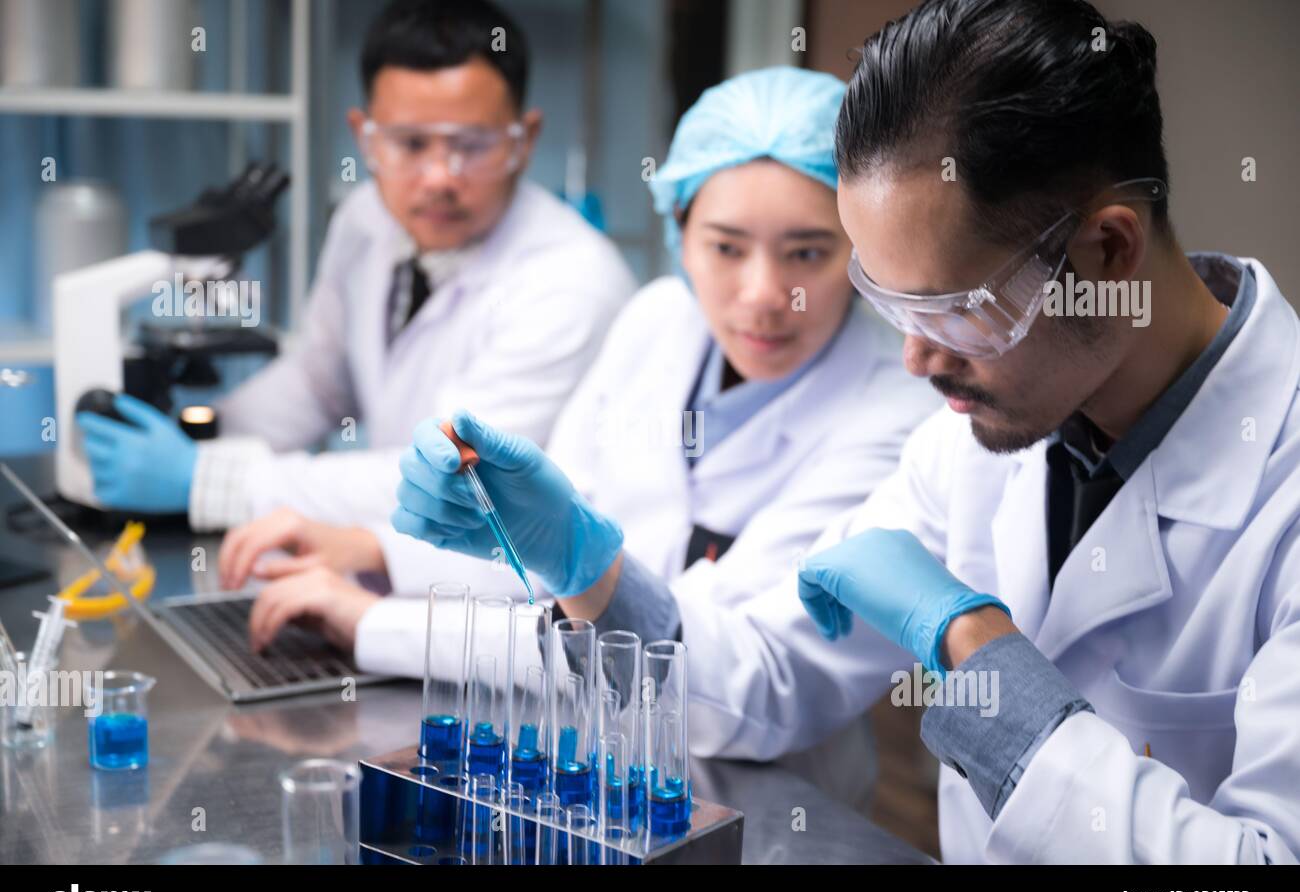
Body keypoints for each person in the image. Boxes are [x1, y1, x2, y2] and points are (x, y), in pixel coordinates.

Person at [391, 0, 1300, 863]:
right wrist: (590, 571)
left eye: (949, 311)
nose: (913, 360)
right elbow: (767, 684)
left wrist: (982, 656)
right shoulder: (972, 439)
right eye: (886, 301)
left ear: (1107, 253)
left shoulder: (1281, 484)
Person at [217, 68, 937, 710]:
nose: (762, 295)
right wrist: (375, 552)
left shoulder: (896, 414)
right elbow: (547, 553)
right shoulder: (659, 321)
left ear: (863, 249)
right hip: (575, 745)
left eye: (807, 252)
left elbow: (735, 675)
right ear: (679, 235)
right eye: (724, 247)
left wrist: (378, 623)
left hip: (758, 798)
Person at [77, 0, 634, 530]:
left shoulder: (573, 282)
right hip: (384, 558)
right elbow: (321, 382)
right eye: (410, 144)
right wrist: (206, 432)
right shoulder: (368, 219)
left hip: (502, 593)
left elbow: (451, 475)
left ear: (525, 140)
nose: (439, 176)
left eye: (471, 144)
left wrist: (205, 479)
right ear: (364, 137)